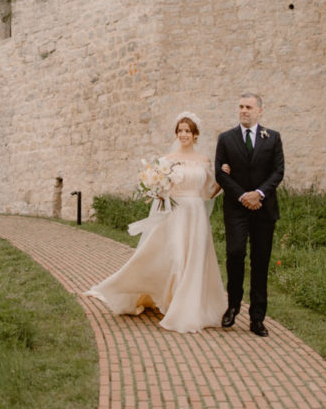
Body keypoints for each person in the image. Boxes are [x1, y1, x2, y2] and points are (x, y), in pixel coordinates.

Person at [87, 111, 225, 333]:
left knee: (195, 259)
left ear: (195, 134)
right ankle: (174, 307)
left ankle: (189, 307)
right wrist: (157, 188)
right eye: (180, 131)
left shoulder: (204, 161)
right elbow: (160, 188)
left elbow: (208, 192)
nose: (183, 135)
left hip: (196, 214)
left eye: (187, 131)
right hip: (176, 214)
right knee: (178, 258)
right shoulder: (166, 161)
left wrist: (223, 179)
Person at [215, 93, 285, 338]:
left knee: (260, 261)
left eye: (248, 107)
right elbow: (220, 173)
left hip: (264, 209)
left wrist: (258, 194)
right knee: (235, 253)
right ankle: (233, 305)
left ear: (259, 111)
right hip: (236, 208)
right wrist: (244, 196)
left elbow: (278, 171)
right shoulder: (226, 138)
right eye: (241, 106)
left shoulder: (272, 138)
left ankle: (257, 318)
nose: (243, 110)